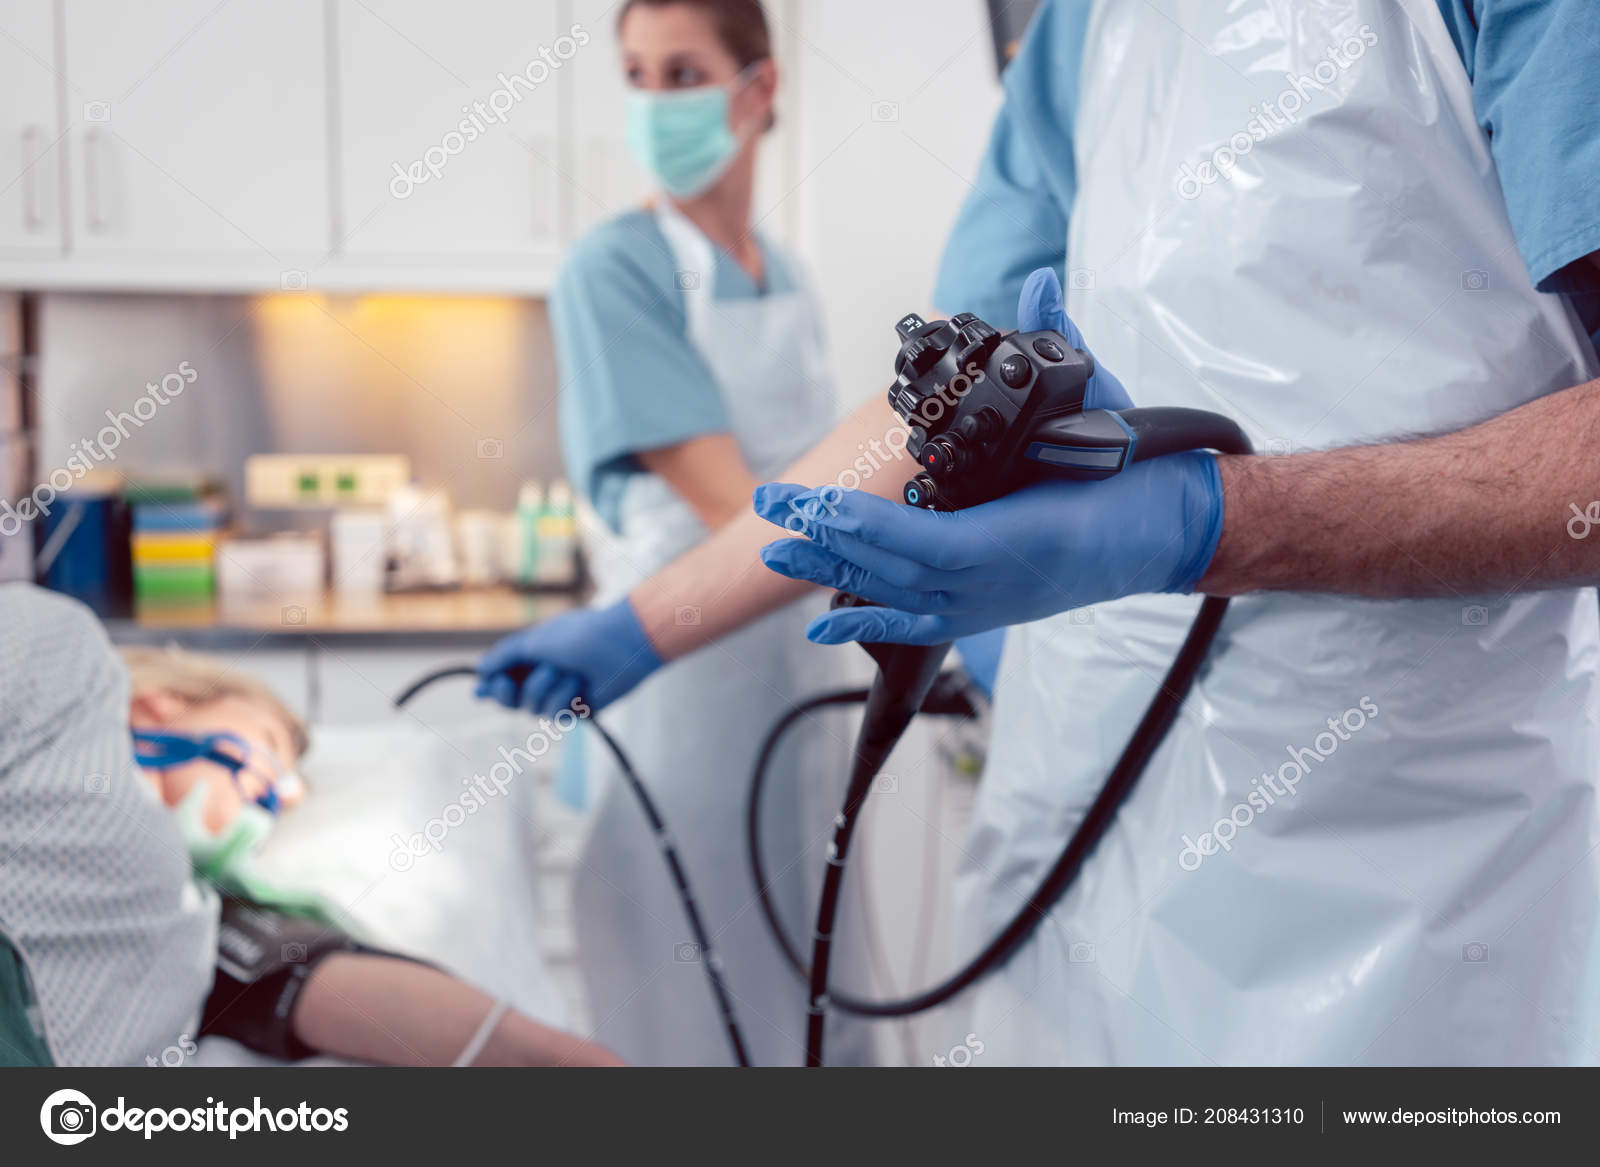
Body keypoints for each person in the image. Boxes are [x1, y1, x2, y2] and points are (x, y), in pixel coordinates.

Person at [472, 0, 1600, 1066]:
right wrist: (643, 625)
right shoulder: (1086, 27)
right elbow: (947, 403)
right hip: (1075, 790)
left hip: (1400, 850)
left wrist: (1212, 518)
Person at [477, 0, 874, 1066]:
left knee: (806, 996)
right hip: (676, 687)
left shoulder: (785, 273)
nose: (655, 103)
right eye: (637, 74)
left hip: (795, 690)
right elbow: (741, 514)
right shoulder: (615, 270)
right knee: (685, 1016)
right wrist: (905, 555)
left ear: (758, 87)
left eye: (683, 71)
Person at [0, 583, 619, 1067]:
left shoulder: (203, 933)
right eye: (267, 740)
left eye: (287, 792)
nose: (285, 791)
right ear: (160, 705)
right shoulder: (66, 669)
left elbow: (344, 992)